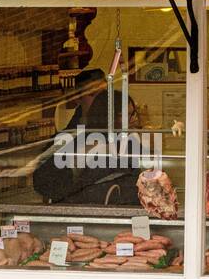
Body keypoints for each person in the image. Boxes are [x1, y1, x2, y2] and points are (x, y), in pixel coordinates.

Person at [32, 68, 140, 205]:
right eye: (94, 94)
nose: (102, 99)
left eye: (105, 93)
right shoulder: (66, 139)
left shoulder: (122, 135)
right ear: (77, 98)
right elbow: (43, 184)